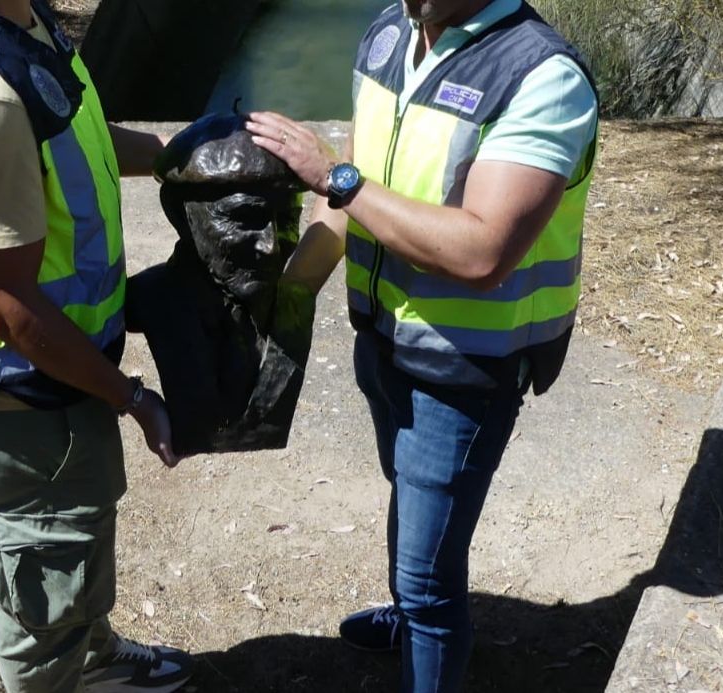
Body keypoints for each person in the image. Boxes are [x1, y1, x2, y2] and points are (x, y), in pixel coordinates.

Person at [246, 0, 599, 690]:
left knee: (429, 578)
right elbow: (360, 170)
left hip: (462, 368)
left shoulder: (542, 77)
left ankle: (422, 618)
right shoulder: (388, 32)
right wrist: (290, 295)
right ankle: (411, 614)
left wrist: (333, 179)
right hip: (381, 337)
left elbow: (480, 250)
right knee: (409, 498)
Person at [0, 0, 195, 690]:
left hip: (48, 370)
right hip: (16, 387)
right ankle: (61, 666)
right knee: (44, 579)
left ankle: (95, 654)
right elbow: (0, 303)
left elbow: (68, 131)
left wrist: (179, 155)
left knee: (66, 543)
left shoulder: (18, 20)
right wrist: (131, 397)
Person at [127, 113, 315, 455]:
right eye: (246, 219)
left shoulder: (294, 307)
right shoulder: (150, 300)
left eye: (287, 219)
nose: (272, 245)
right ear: (181, 215)